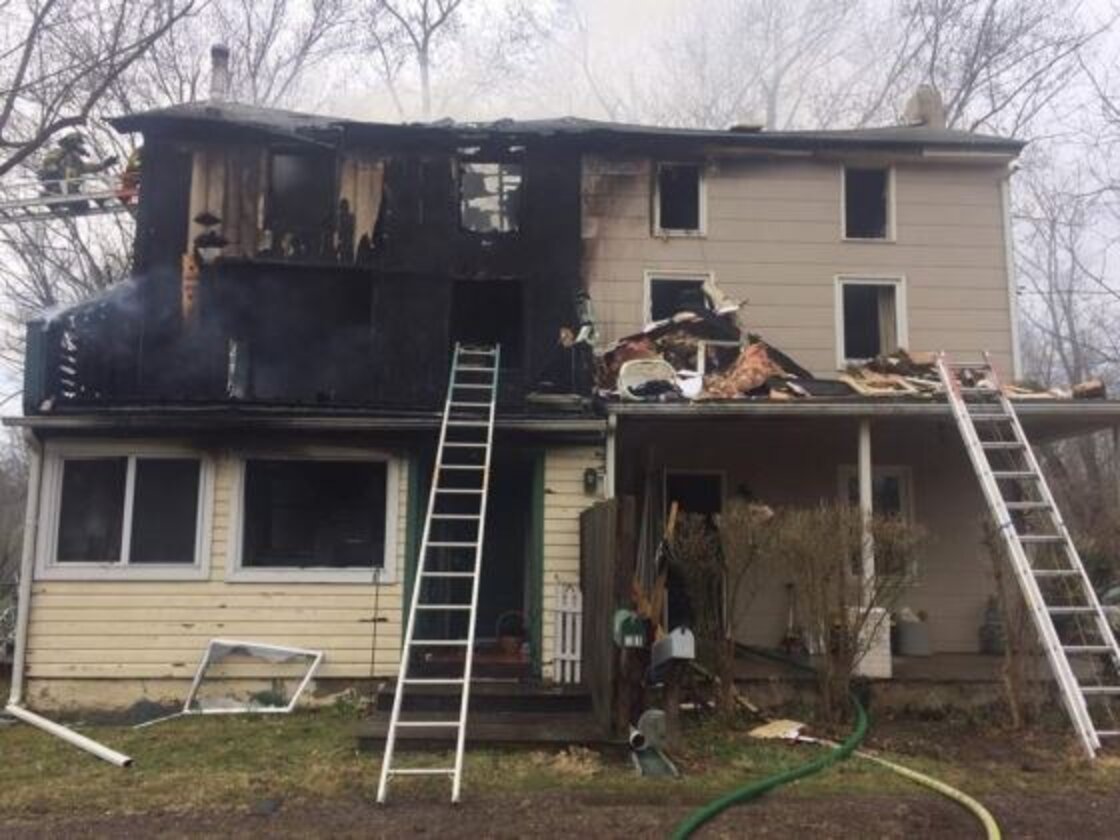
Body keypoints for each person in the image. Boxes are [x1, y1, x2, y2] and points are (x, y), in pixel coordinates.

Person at [38, 134, 118, 210]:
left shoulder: (77, 163)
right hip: (56, 185)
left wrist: (104, 164)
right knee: (54, 171)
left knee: (83, 206)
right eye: (79, 144)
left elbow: (89, 167)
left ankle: (97, 200)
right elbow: (49, 161)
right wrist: (63, 153)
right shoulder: (60, 152)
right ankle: (52, 196)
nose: (81, 147)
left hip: (69, 189)